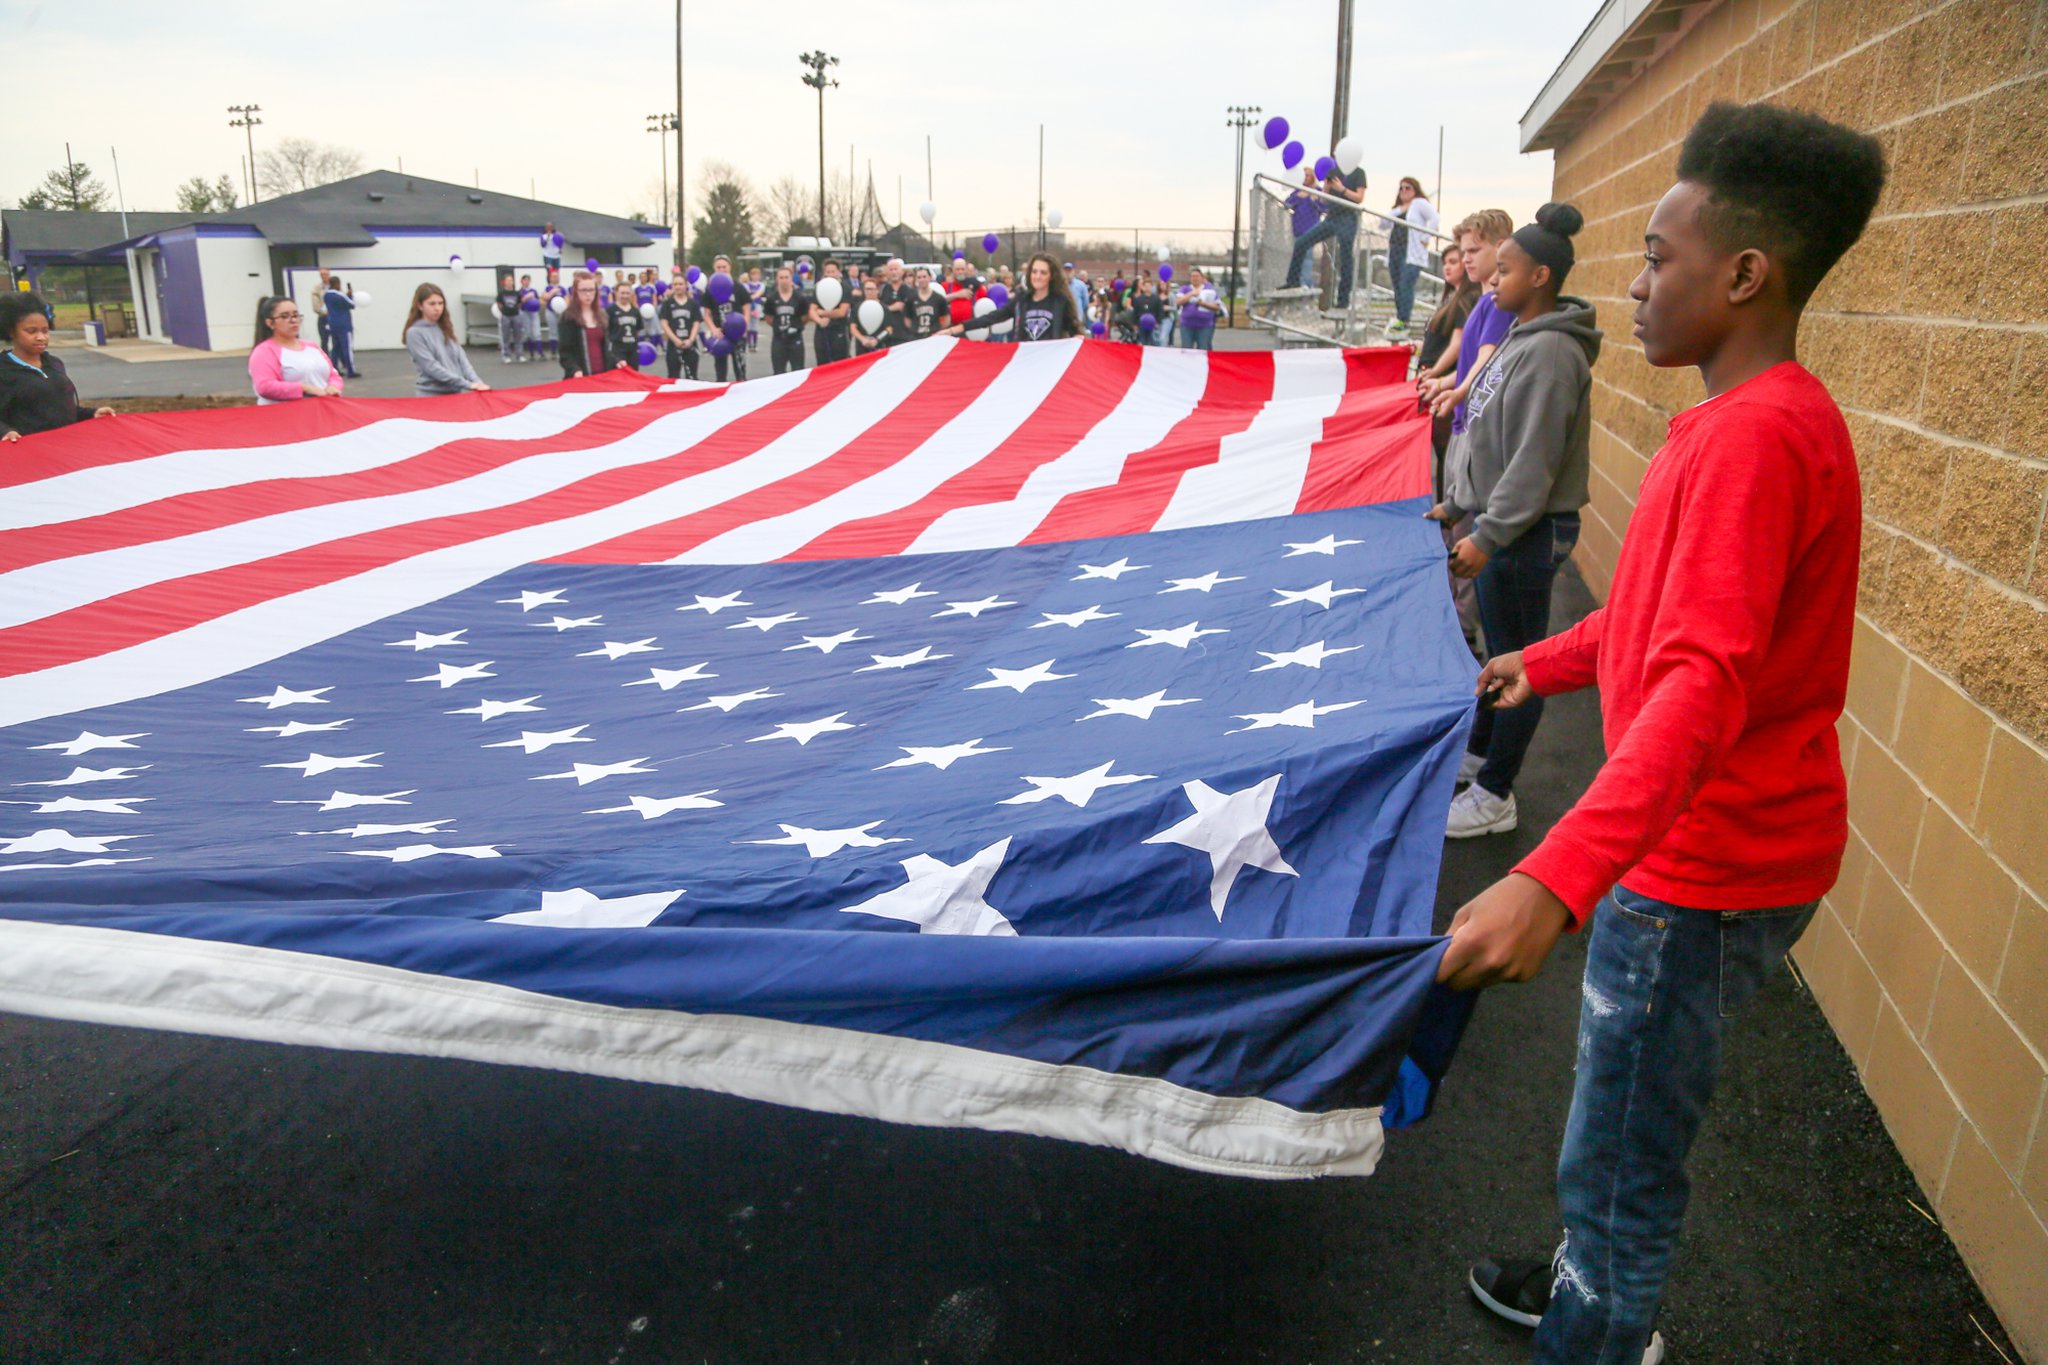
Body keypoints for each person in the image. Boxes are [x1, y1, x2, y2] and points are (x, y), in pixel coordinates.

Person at [1447, 103, 1884, 1365]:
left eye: (1654, 259)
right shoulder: (1742, 421)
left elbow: (1699, 686)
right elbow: (1653, 618)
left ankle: (1596, 1328)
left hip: (1702, 870)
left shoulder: (1752, 439)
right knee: (1617, 1121)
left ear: (1743, 275)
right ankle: (1583, 1284)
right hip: (1702, 851)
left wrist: (1552, 878)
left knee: (1623, 1153)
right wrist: (1538, 660)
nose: (1633, 287)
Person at [1428, 202, 1598, 838]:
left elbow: (1531, 462)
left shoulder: (1551, 353)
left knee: (1520, 662)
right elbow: (1488, 437)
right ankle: (1481, 754)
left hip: (1524, 533)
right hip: (1501, 523)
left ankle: (1497, 794)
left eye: (1506, 270)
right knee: (1499, 654)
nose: (1493, 281)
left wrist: (1488, 534)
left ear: (1541, 277)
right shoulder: (1522, 339)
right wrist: (1459, 503)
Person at [0, 292, 115, 441]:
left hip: (65, 446)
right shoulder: (3, 369)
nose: (41, 337)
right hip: (28, 449)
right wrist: (5, 432)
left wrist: (91, 413)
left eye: (45, 330)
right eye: (31, 331)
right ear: (11, 332)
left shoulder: (55, 364)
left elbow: (63, 409)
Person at [1283, 158, 1367, 305]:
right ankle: (1292, 281)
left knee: (1346, 257)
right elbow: (1324, 202)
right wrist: (1326, 189)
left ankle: (1343, 300)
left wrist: (1342, 189)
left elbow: (1359, 198)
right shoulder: (1333, 172)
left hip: (1348, 218)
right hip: (1331, 219)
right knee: (1301, 243)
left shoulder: (1358, 173)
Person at [947, 253, 1084, 342]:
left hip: (1051, 364)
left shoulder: (1060, 301)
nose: (1037, 276)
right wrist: (952, 330)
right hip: (1024, 362)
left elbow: (1075, 331)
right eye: (1034, 271)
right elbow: (991, 318)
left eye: (1043, 273)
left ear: (1052, 276)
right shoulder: (1022, 300)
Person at [248, 295, 344, 404]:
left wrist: (333, 387)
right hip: (285, 412)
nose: (293, 320)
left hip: (320, 409)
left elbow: (333, 374)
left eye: (295, 315)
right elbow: (265, 386)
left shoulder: (312, 347)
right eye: (285, 316)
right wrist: (304, 389)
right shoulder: (264, 351)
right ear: (270, 323)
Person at [403, 284, 490, 397]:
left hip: (455, 393)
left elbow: (462, 361)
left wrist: (477, 382)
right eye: (432, 304)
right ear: (420, 306)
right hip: (431, 396)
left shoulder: (445, 328)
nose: (437, 308)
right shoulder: (414, 333)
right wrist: (468, 384)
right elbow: (431, 367)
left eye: (440, 303)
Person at [1384, 175, 1441, 337]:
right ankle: (1399, 317)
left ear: (1415, 190)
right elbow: (1383, 223)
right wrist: (1401, 209)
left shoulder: (1419, 204)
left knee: (1406, 284)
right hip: (1395, 249)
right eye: (1401, 188)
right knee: (1397, 285)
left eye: (1407, 187)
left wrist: (1426, 237)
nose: (1404, 191)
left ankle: (1404, 319)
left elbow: (1435, 218)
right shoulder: (1397, 208)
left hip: (1411, 252)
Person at [557, 270, 623, 379]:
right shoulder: (568, 317)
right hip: (580, 377)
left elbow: (606, 348)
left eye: (591, 290)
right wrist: (574, 369)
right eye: (583, 290)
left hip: (603, 376)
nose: (588, 294)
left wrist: (616, 361)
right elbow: (565, 353)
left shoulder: (602, 315)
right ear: (576, 291)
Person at [702, 256, 748, 382]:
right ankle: (722, 390)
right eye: (718, 267)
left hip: (737, 331)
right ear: (714, 269)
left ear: (730, 268)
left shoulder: (738, 287)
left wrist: (744, 328)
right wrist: (713, 329)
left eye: (724, 267)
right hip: (720, 334)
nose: (722, 269)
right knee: (720, 370)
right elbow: (706, 314)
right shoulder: (710, 289)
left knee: (740, 369)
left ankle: (742, 390)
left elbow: (747, 310)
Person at [762, 265, 814, 375]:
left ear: (791, 278)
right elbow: (768, 317)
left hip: (795, 338)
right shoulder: (772, 298)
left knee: (798, 371)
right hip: (779, 339)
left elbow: (805, 317)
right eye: (781, 278)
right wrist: (778, 326)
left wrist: (796, 326)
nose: (784, 280)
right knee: (778, 371)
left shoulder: (800, 298)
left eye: (786, 277)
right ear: (777, 279)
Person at [1284, 166, 1326, 291]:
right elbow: (1287, 204)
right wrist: (1298, 197)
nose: (1305, 178)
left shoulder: (1318, 191)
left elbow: (1325, 208)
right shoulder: (1298, 191)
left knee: (1307, 256)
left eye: (1308, 175)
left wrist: (1315, 200)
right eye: (1304, 175)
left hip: (1312, 229)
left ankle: (1306, 283)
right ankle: (1296, 281)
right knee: (1298, 255)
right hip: (1298, 228)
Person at [658, 273, 700, 381]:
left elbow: (696, 323)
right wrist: (675, 340)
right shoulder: (667, 303)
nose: (678, 287)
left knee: (692, 377)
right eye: (675, 284)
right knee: (673, 377)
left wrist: (691, 340)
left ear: (686, 285)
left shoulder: (692, 303)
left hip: (690, 344)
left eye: (680, 284)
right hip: (673, 345)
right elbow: (664, 323)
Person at [322, 277, 362, 378]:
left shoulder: (326, 295)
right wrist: (350, 295)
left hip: (332, 324)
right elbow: (352, 305)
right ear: (337, 284)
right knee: (347, 348)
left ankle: (334, 369)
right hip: (344, 325)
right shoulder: (340, 295)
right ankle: (351, 370)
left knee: (335, 348)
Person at [815, 259, 852, 364]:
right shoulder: (819, 287)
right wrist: (819, 320)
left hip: (839, 330)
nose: (830, 274)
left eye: (833, 271)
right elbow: (812, 310)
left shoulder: (846, 288)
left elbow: (842, 312)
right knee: (822, 363)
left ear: (839, 272)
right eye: (828, 272)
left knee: (841, 363)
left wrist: (823, 313)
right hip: (821, 331)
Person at [1177, 268, 1222, 350]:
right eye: (1193, 276)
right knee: (1186, 349)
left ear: (1202, 278)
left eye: (1197, 276)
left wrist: (1203, 304)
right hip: (1187, 325)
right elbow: (1179, 302)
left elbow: (1217, 306)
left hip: (1204, 326)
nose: (1195, 278)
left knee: (1203, 349)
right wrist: (1191, 294)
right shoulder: (1185, 289)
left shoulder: (1209, 290)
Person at [609, 283, 649, 371]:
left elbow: (638, 330)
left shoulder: (635, 311)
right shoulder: (610, 310)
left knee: (633, 375)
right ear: (616, 293)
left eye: (627, 293)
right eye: (622, 293)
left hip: (632, 350)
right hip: (617, 351)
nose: (625, 296)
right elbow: (606, 332)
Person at [902, 266, 949, 341]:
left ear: (929, 277)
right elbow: (907, 320)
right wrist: (915, 329)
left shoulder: (939, 298)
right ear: (916, 279)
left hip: (934, 337)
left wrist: (937, 330)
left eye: (924, 277)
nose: (922, 280)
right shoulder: (911, 299)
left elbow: (947, 320)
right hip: (916, 338)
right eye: (919, 277)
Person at [849, 277, 891, 355]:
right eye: (867, 289)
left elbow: (889, 329)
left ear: (877, 290)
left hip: (879, 346)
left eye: (872, 289)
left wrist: (877, 340)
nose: (869, 292)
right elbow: (853, 328)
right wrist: (862, 339)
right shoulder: (857, 307)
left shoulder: (884, 308)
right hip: (861, 348)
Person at [943, 258, 985, 328]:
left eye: (963, 269)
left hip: (971, 328)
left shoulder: (977, 287)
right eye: (957, 269)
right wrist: (957, 295)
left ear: (967, 270)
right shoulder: (945, 286)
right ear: (953, 270)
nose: (960, 272)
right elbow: (936, 302)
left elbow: (986, 305)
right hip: (950, 328)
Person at [309, 265, 334, 356]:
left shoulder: (335, 286)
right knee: (324, 339)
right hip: (323, 316)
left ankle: (338, 359)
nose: (324, 276)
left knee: (337, 339)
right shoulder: (317, 288)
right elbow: (315, 304)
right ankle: (325, 358)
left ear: (329, 274)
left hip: (334, 317)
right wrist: (322, 311)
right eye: (322, 274)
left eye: (325, 274)